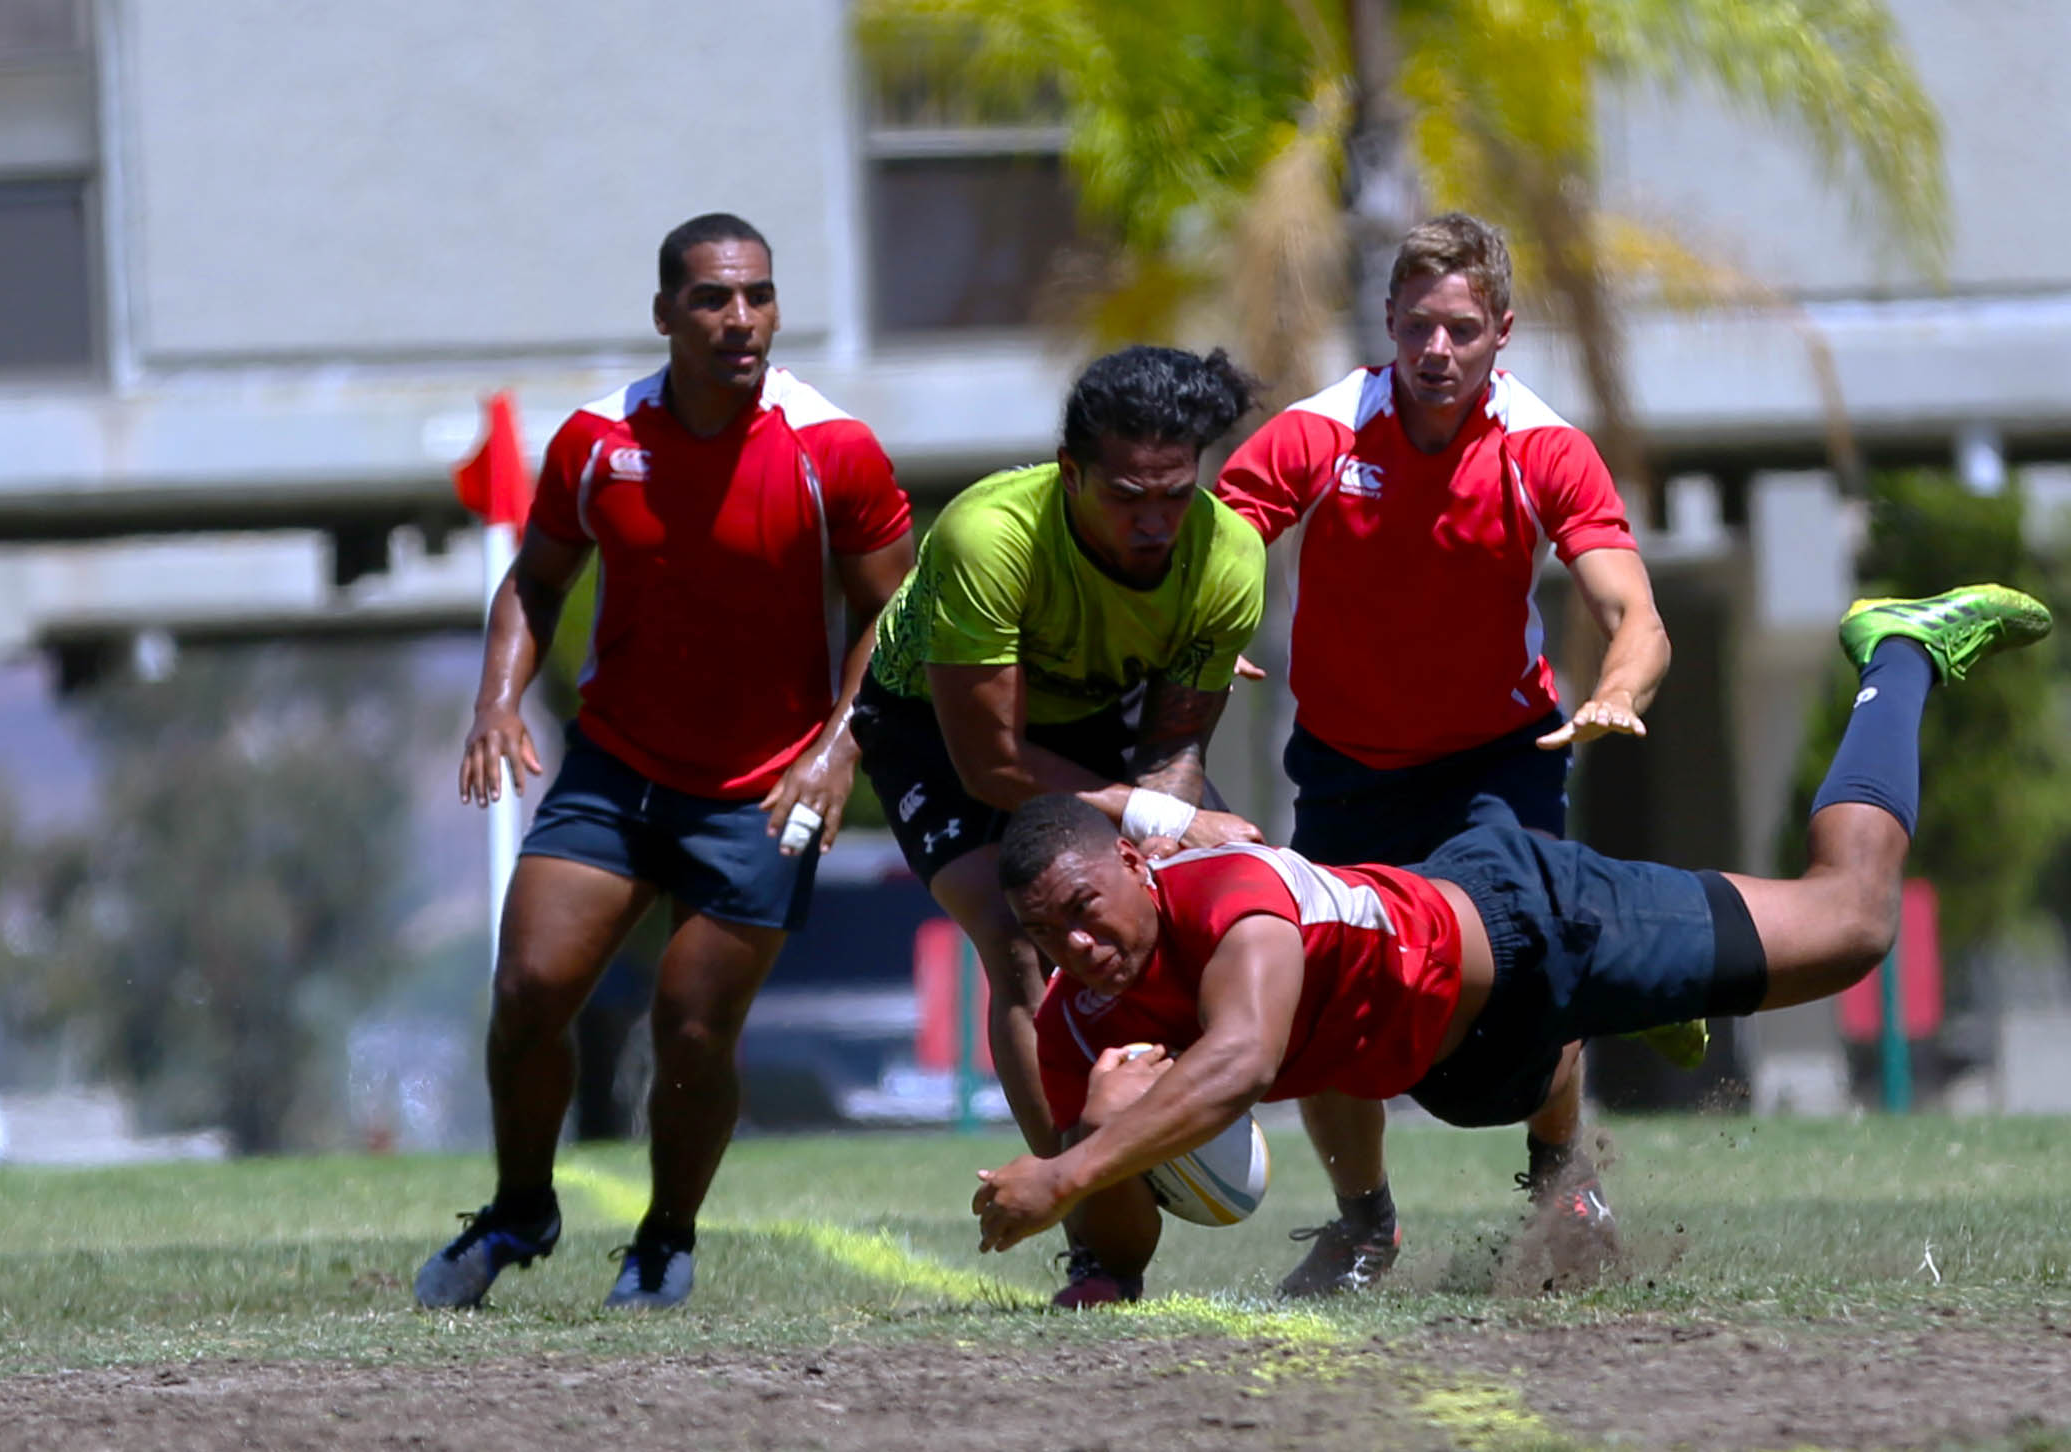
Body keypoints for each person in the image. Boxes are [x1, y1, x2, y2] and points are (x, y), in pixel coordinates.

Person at [969, 585, 2051, 1303]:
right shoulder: (1073, 1023)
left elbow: (1243, 1061)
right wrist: (1096, 1164)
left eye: (1085, 906)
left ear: (1140, 865)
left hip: (1532, 919)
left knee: (1852, 923)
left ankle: (1899, 649)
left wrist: (1067, 1168)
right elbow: (1116, 1254)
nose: (1076, 944)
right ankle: (1631, 1004)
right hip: (1454, 1061)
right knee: (1478, 1085)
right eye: (1046, 932)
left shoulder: (1231, 897)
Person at [414, 213, 915, 1311]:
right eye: (712, 298)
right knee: (528, 991)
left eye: (758, 297)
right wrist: (496, 701)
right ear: (664, 315)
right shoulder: (599, 442)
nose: (741, 319)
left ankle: (664, 1239)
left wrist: (838, 750)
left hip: (765, 788)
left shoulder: (834, 448)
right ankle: (519, 1209)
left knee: (690, 1026)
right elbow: (537, 578)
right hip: (618, 771)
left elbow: (897, 612)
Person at [1211, 211, 1678, 1293]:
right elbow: (1222, 541)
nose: (1436, 350)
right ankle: (1364, 1226)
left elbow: (1637, 615)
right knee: (1324, 993)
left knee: (1534, 979)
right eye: (1418, 325)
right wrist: (1209, 621)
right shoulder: (1322, 432)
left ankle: (1562, 1181)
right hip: (1349, 764)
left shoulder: (1542, 447)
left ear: (1501, 333)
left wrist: (1616, 693)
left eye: (1461, 330)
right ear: (1387, 321)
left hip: (1497, 761)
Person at [849, 345, 1267, 1305]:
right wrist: (1160, 814)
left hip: (1094, 723)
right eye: (1127, 497)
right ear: (1070, 473)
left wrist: (1158, 840)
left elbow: (1174, 742)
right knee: (1022, 934)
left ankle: (1348, 1204)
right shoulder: (987, 537)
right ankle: (1092, 1239)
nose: (1155, 523)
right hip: (940, 730)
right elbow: (993, 767)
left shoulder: (1228, 556)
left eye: (1176, 495)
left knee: (1206, 906)